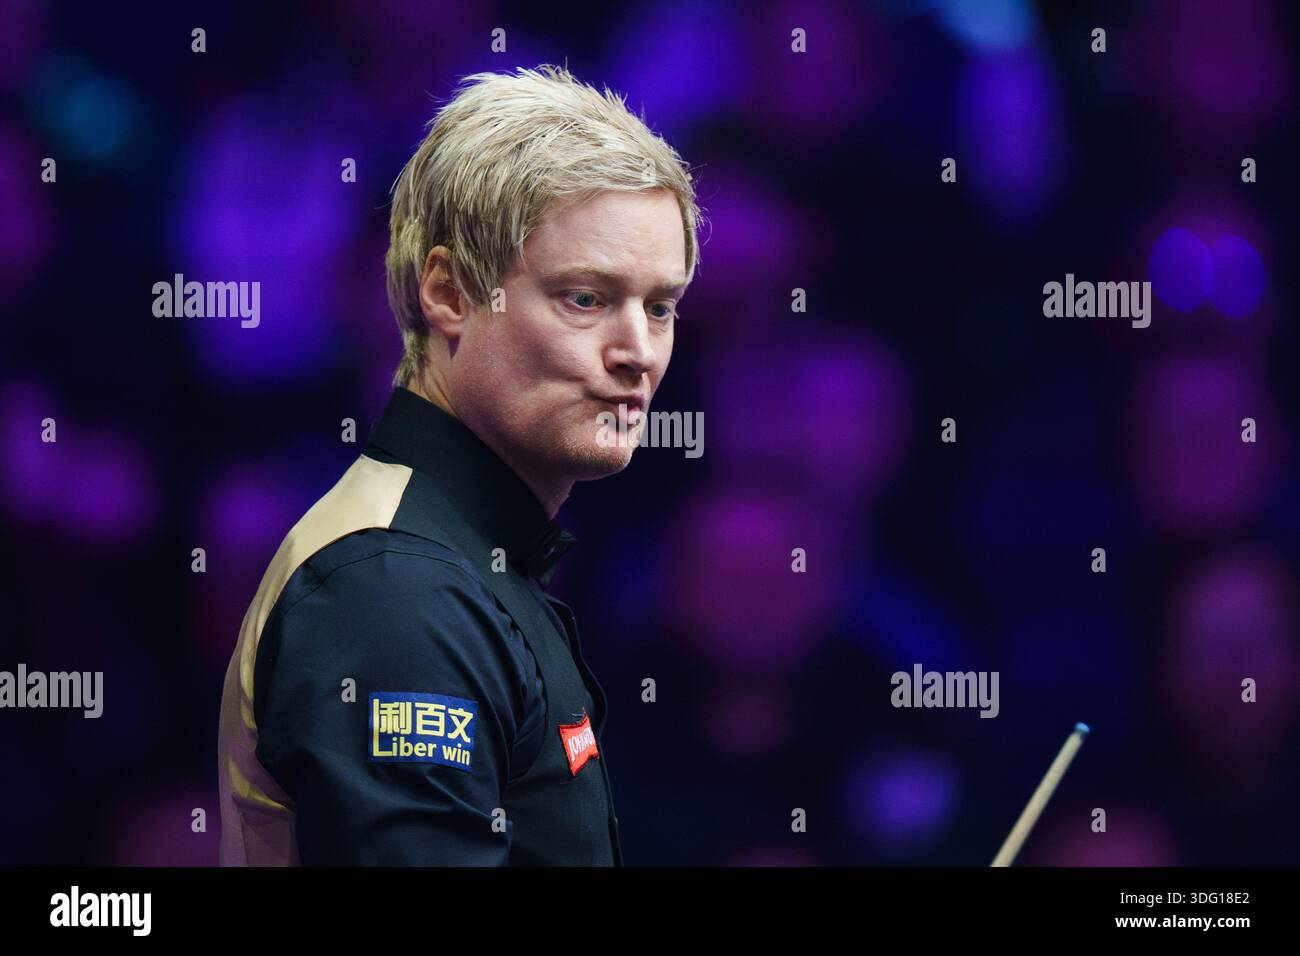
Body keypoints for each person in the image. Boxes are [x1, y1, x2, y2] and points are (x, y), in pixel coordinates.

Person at [215, 63, 702, 865]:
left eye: (660, 306)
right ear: (448, 292)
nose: (639, 353)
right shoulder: (392, 585)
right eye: (585, 298)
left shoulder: (451, 559)